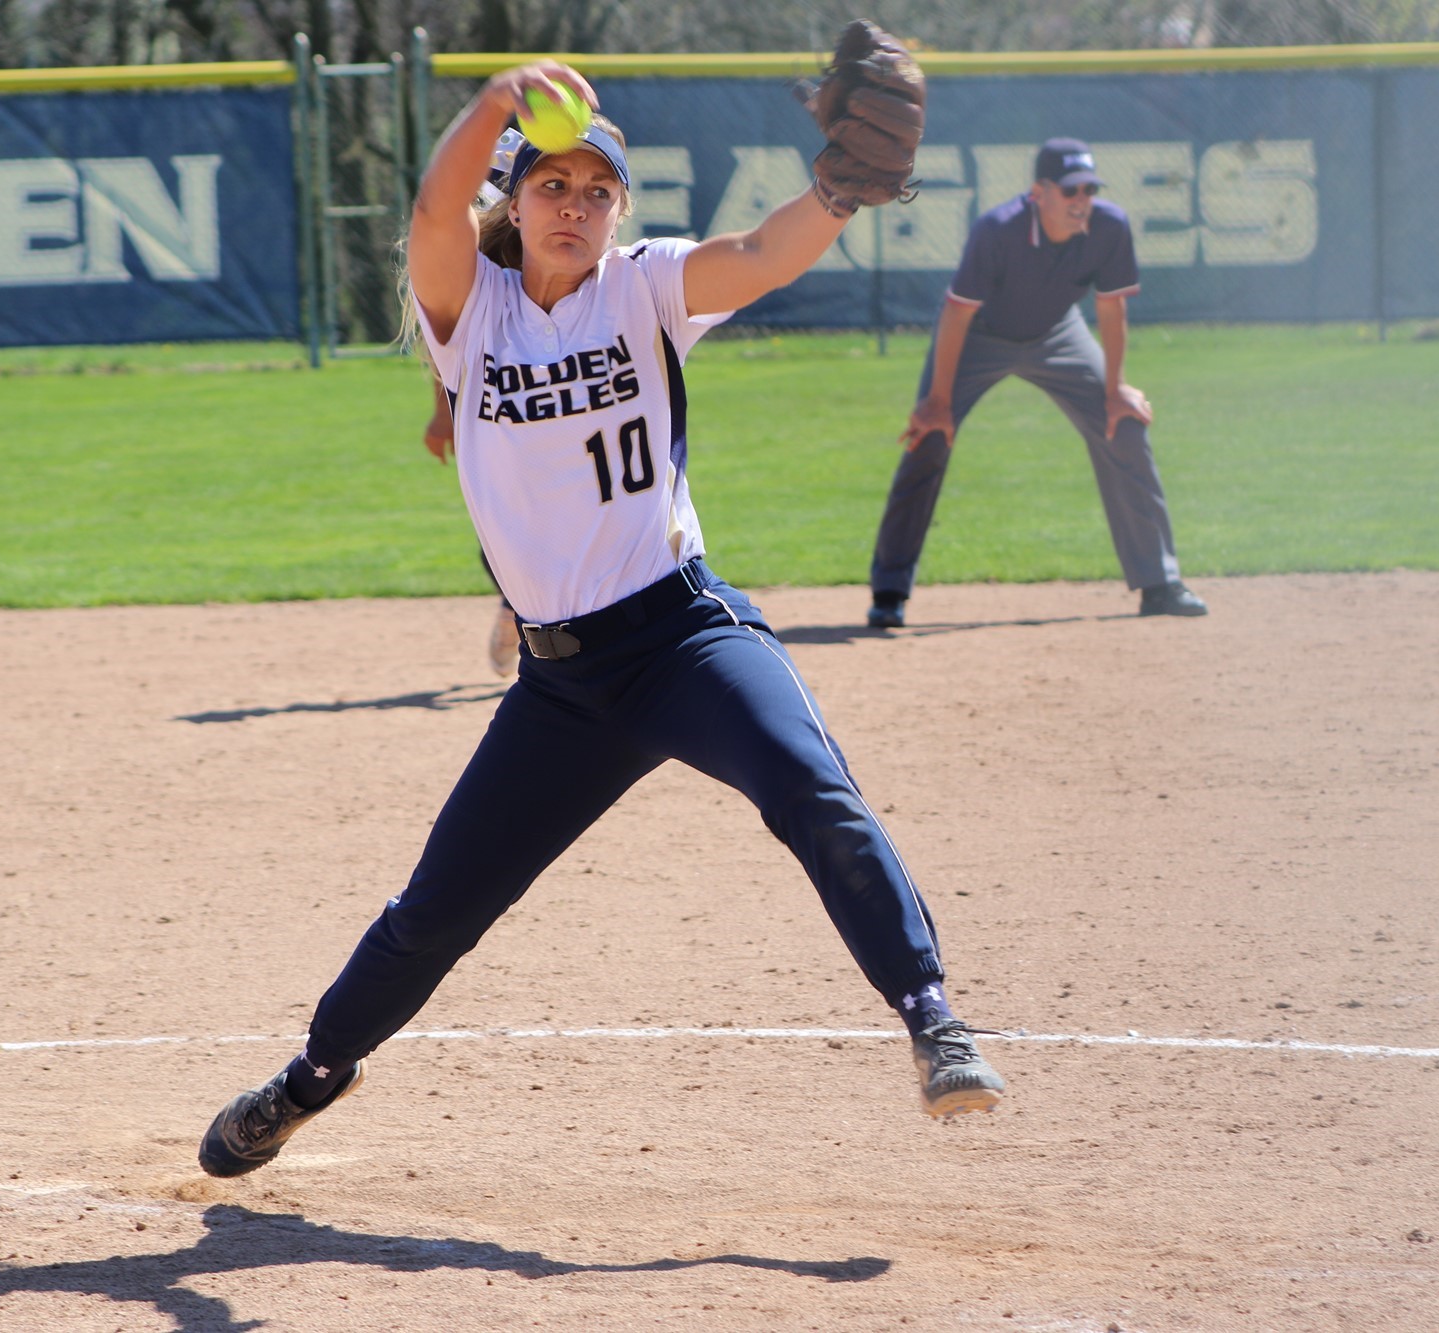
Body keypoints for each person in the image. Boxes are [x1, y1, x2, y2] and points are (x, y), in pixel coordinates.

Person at [198, 36, 1006, 1181]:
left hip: (684, 640)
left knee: (810, 790)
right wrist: (490, 102)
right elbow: (434, 211)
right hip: (561, 692)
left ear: (617, 211)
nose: (573, 206)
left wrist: (835, 192)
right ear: (517, 202)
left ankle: (931, 1016)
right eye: (550, 185)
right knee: (434, 913)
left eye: (595, 190)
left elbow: (762, 254)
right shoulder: (467, 313)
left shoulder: (643, 291)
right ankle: (311, 1077)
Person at [865, 137, 1207, 629]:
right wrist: (938, 402)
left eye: (1088, 189)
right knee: (930, 438)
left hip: (1058, 333)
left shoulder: (1108, 225)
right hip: (978, 336)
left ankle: (1159, 583)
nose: (1081, 200)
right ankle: (890, 589)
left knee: (1125, 425)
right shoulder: (998, 231)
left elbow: (1111, 305)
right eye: (1070, 190)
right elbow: (957, 313)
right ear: (1038, 192)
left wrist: (1116, 389)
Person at [422, 384, 520, 677]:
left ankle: (517, 608)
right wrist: (443, 413)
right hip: (503, 411)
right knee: (499, 535)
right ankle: (514, 605)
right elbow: (440, 342)